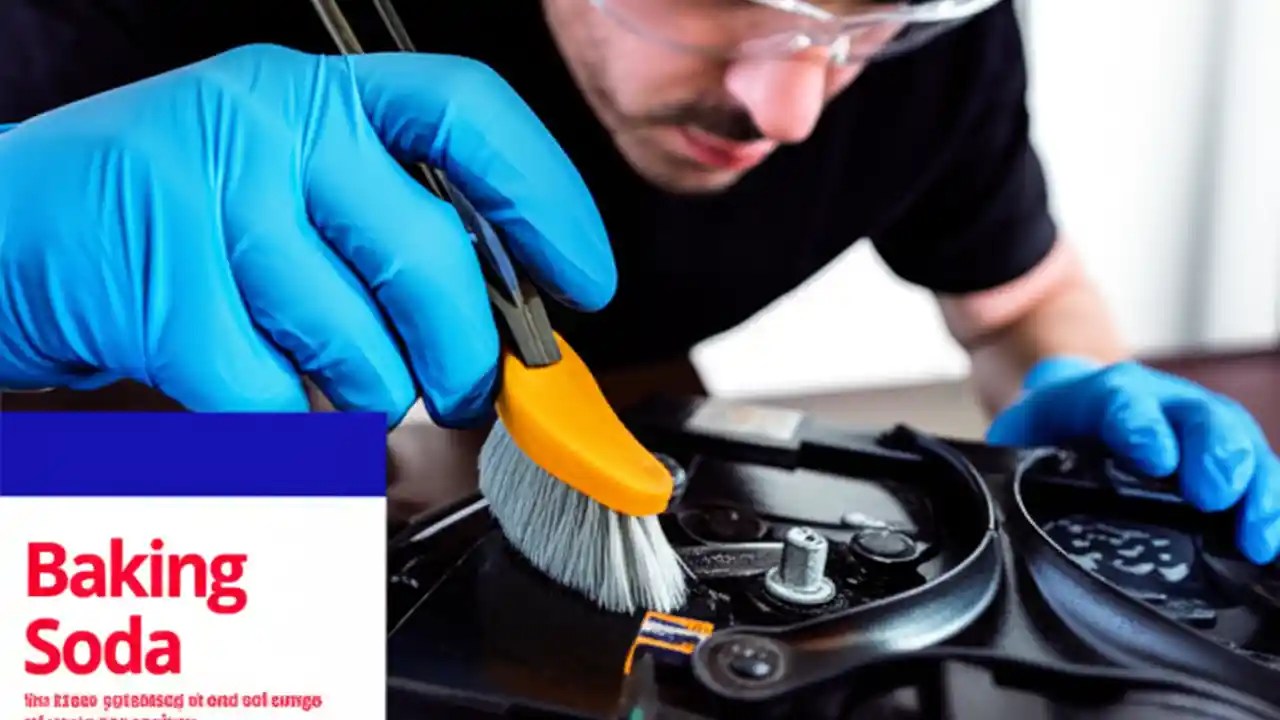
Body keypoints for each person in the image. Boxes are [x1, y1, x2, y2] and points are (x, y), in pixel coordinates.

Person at [0, 0, 1275, 563]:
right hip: (142, 438)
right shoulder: (128, 25)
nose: (788, 102)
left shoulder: (921, 53)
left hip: (601, 455)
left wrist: (1085, 384)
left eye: (858, 17)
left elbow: (1013, 297)